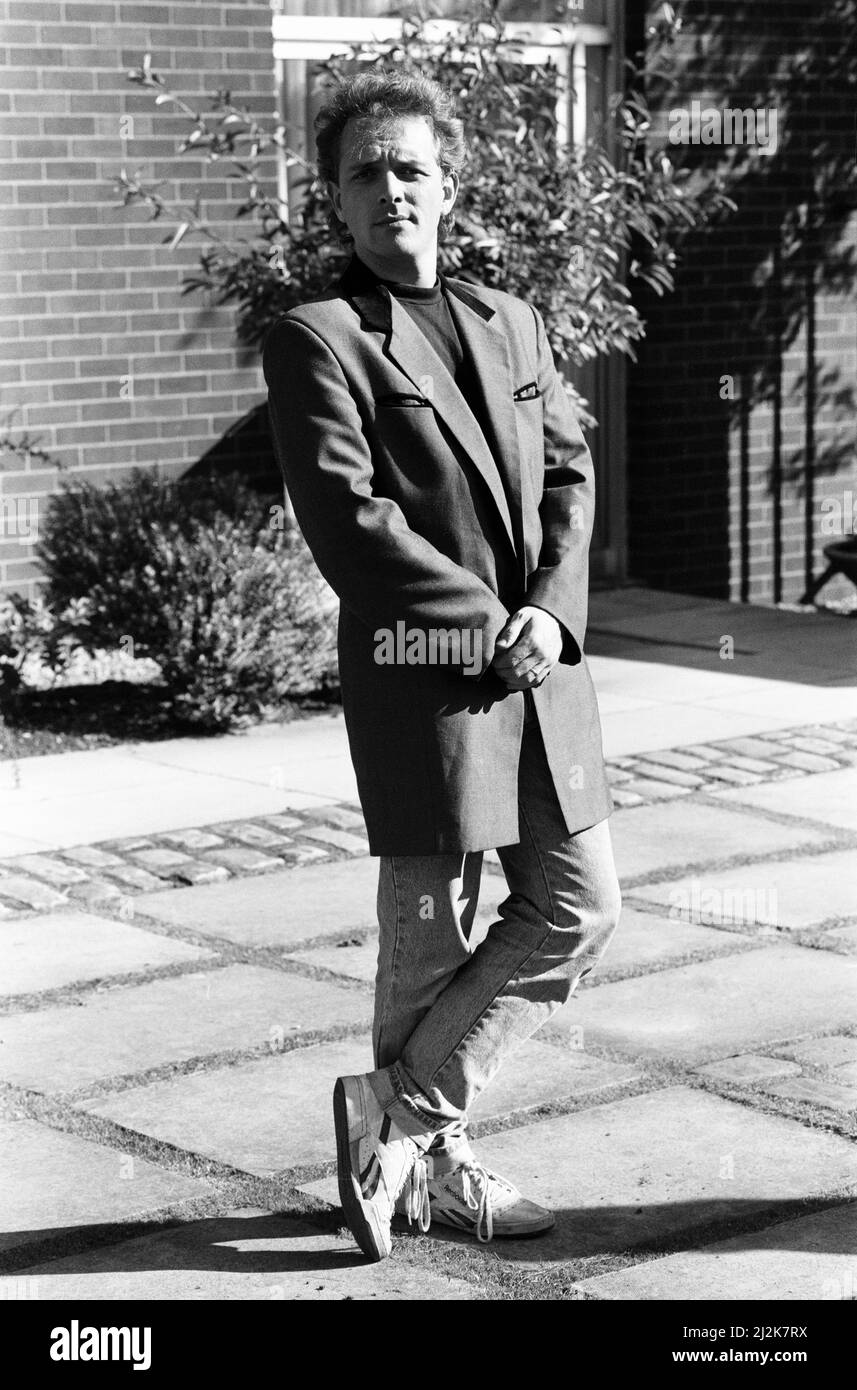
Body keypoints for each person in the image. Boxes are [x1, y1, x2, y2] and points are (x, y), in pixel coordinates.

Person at [263, 71, 622, 1263]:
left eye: (409, 167)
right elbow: (349, 521)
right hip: (427, 677)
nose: (390, 190)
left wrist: (551, 614)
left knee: (577, 906)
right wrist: (490, 623)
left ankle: (397, 1121)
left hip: (541, 669)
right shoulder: (316, 338)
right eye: (363, 173)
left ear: (446, 187)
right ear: (336, 203)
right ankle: (428, 1173)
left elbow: (567, 472)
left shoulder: (514, 320)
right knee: (429, 943)